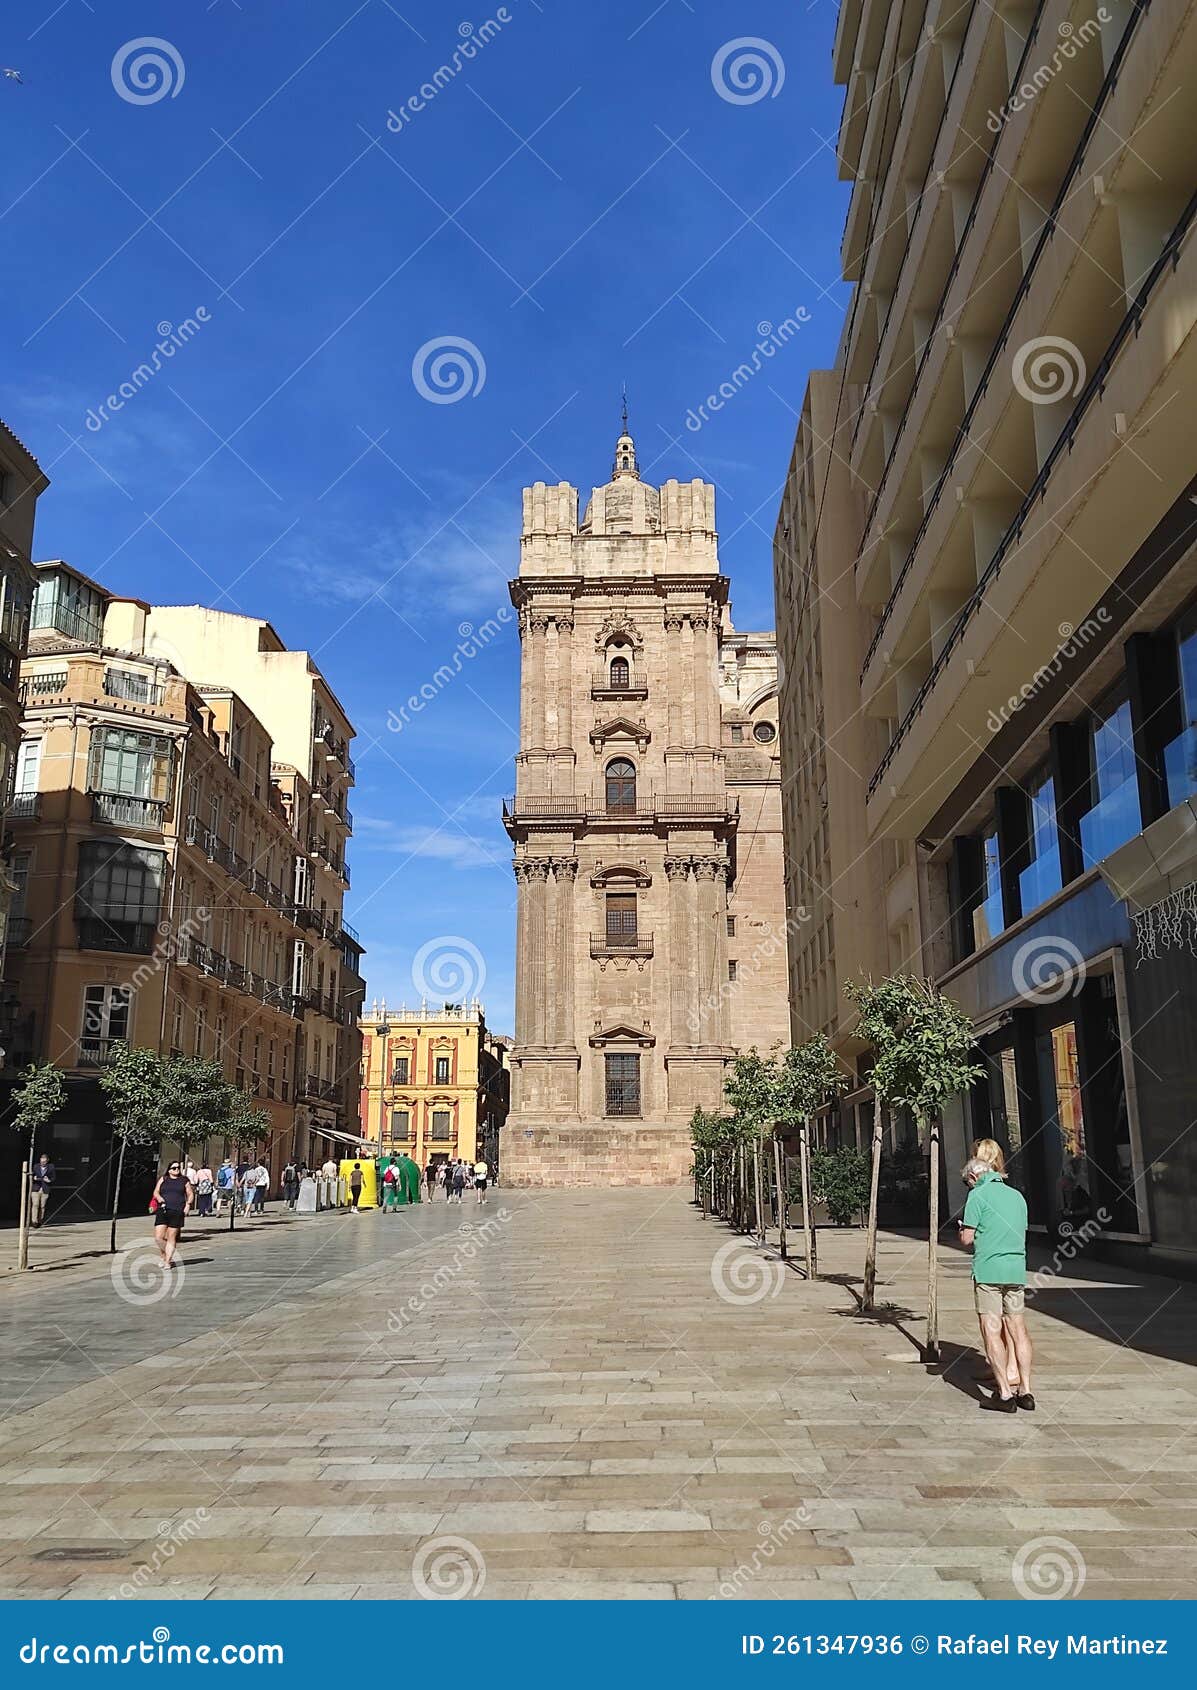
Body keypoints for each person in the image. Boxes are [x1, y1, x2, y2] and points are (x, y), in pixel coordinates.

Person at [959, 1154, 1034, 1412]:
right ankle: (1026, 1390)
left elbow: (967, 1239)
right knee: (1018, 1329)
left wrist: (965, 1228)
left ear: (973, 1177)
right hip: (1015, 1269)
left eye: (967, 1183)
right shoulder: (1017, 1196)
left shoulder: (977, 1196)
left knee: (991, 1330)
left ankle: (1003, 1394)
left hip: (989, 1270)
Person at [151, 1158, 194, 1270]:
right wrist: (159, 1198)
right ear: (169, 1170)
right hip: (163, 1209)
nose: (176, 1170)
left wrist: (188, 1204)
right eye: (174, 1168)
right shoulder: (163, 1179)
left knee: (171, 1236)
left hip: (177, 1210)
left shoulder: (184, 1180)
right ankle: (164, 1256)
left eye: (178, 1168)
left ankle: (168, 1261)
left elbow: (190, 1194)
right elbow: (156, 1191)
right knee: (158, 1237)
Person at [29, 1153, 55, 1227]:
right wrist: (34, 1178)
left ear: (47, 1161)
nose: (43, 1162)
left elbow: (53, 1178)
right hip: (36, 1188)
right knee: (35, 1204)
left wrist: (49, 1180)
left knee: (42, 1206)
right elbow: (32, 1174)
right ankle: (34, 1221)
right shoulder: (36, 1166)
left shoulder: (51, 1167)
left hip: (45, 1188)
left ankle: (40, 1220)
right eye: (41, 1161)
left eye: (44, 1161)